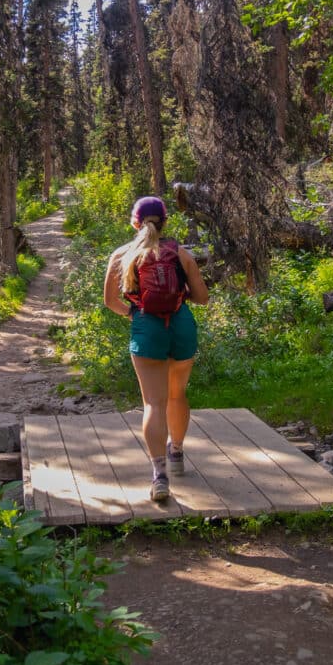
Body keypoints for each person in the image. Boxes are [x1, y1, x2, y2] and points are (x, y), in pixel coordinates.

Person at [103, 195, 209, 502]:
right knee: (177, 394)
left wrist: (136, 313)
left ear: (134, 222)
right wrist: (183, 294)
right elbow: (202, 297)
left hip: (147, 327)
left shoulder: (123, 255)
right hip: (181, 326)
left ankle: (159, 476)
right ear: (165, 222)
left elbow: (111, 302)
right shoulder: (181, 253)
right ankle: (176, 453)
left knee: (153, 403)